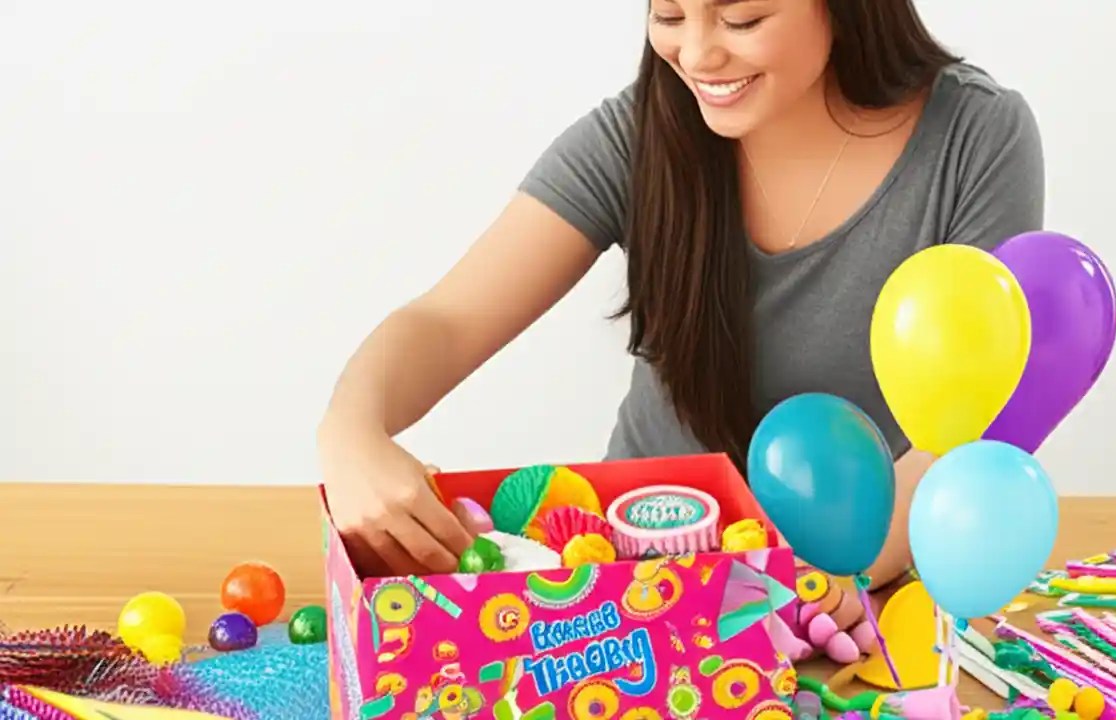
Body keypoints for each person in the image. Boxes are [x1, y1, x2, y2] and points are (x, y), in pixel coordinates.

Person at [317, 0, 1044, 592]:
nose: (697, 55)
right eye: (668, 15)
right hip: (632, 591)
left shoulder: (975, 137)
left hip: (859, 593)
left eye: (741, 20)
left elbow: (967, 427)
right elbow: (446, 320)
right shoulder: (639, 135)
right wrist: (349, 431)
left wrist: (812, 590)